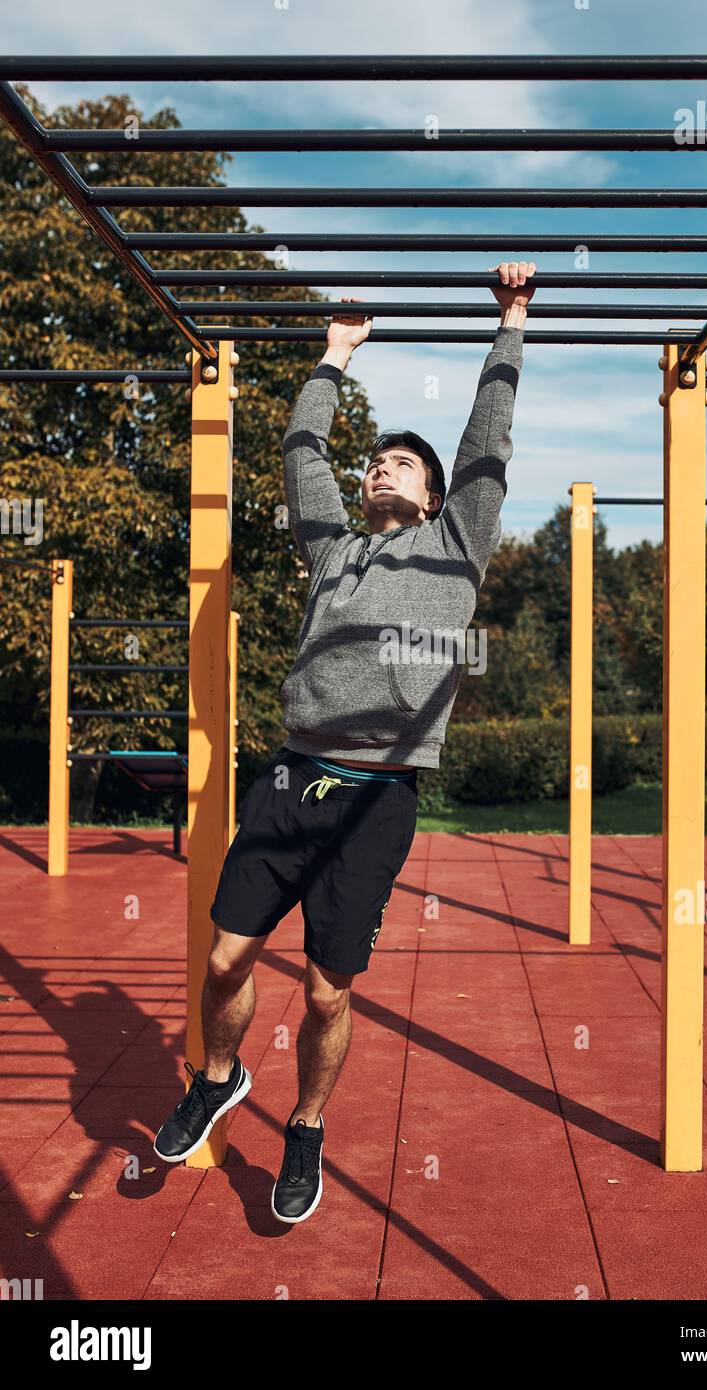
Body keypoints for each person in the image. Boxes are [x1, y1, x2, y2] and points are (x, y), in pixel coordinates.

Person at [153, 260, 536, 1223]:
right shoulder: (334, 547)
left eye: (402, 463)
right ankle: (221, 1076)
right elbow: (301, 451)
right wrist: (333, 356)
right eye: (377, 462)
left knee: (328, 995)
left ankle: (308, 1129)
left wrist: (511, 322)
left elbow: (487, 443)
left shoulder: (457, 547)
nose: (380, 469)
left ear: (440, 496)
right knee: (224, 960)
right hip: (289, 778)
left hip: (375, 799)